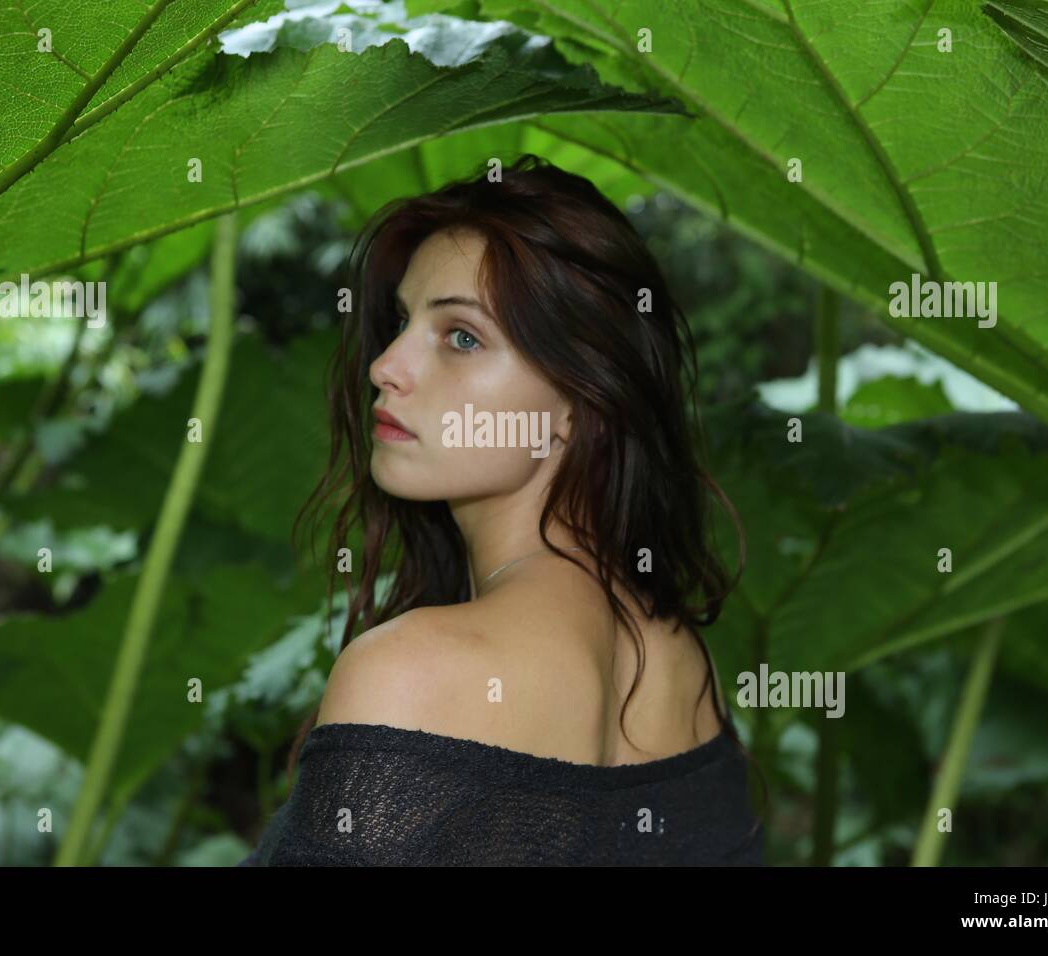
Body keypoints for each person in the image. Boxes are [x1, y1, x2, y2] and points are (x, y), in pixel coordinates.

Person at [240, 154, 765, 866]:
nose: (385, 366)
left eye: (462, 337)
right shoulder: (685, 670)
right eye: (401, 321)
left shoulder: (406, 674)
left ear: (578, 408)